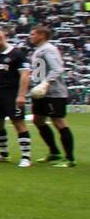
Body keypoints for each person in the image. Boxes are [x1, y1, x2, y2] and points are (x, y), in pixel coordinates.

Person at [0, 27, 32, 167]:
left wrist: (21, 95)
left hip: (12, 93)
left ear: (0, 37)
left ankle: (26, 157)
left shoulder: (17, 54)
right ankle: (3, 154)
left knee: (18, 122)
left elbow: (25, 75)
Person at [28, 25, 75, 167]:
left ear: (42, 35)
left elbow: (57, 69)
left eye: (33, 34)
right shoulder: (38, 50)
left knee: (58, 121)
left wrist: (46, 83)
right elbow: (39, 71)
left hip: (53, 93)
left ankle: (70, 158)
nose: (31, 36)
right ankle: (54, 152)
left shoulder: (49, 49)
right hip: (40, 93)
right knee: (38, 120)